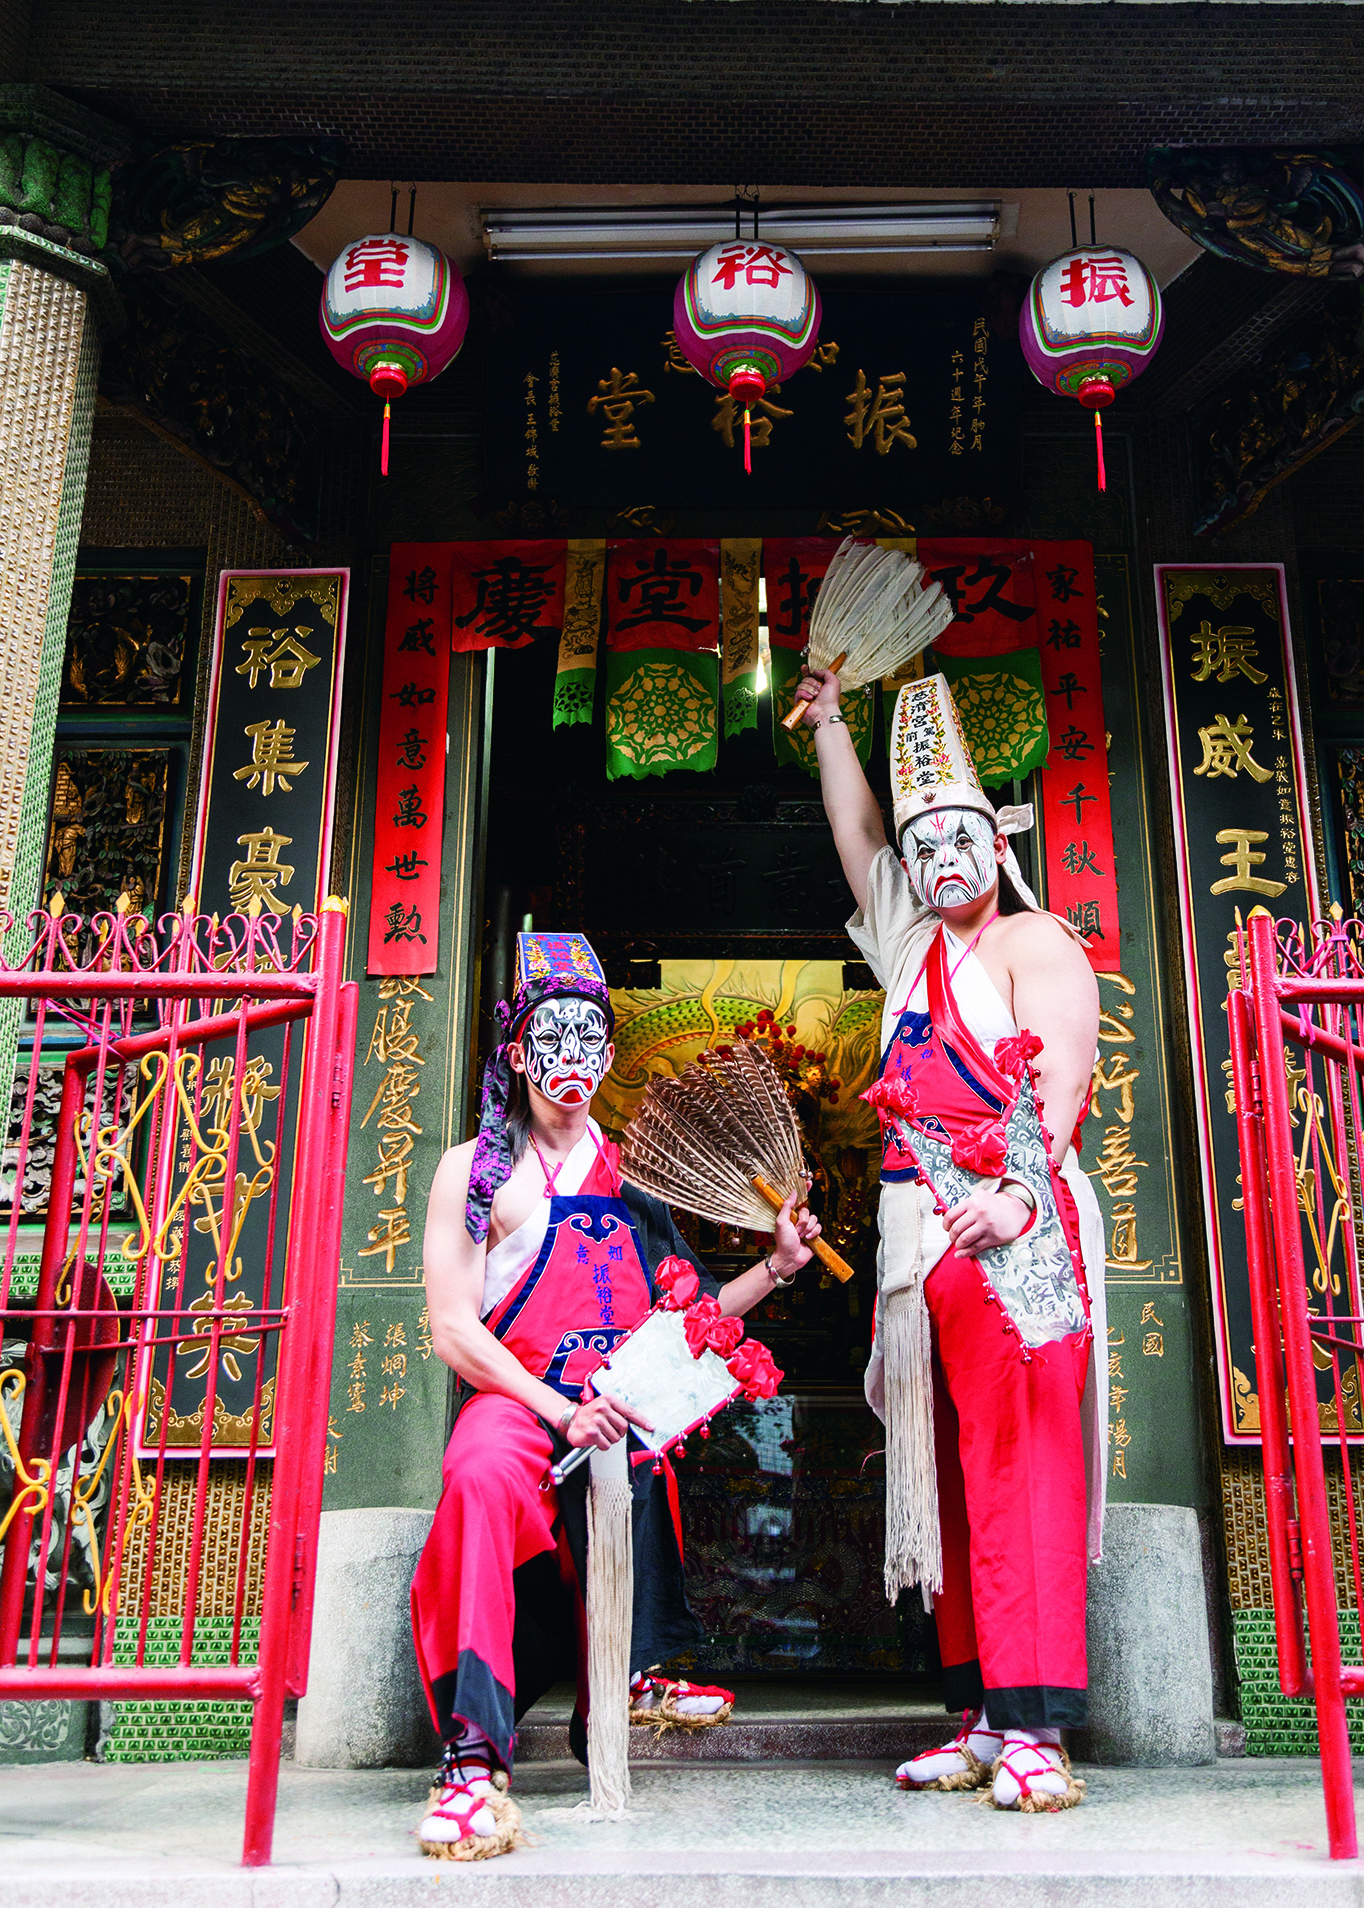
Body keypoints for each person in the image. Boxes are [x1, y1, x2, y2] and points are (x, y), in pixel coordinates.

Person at [410, 932, 821, 1855]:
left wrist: (776, 1268)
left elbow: (686, 1320)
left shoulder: (633, 1177)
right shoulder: (474, 1170)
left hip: (614, 1407)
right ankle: (473, 1756)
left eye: (588, 1041)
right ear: (516, 1053)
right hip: (521, 1402)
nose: (571, 1061)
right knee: (477, 1473)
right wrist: (557, 1407)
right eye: (550, 1040)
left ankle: (628, 1679)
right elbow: (453, 1329)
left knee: (637, 1460)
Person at [795, 666, 1107, 1814]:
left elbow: (1059, 1087)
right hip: (914, 1251)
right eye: (922, 845)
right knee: (948, 1479)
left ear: (997, 835)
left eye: (956, 836)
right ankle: (980, 1717)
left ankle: (1037, 1730)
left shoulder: (1036, 942)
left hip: (1009, 1236)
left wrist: (1020, 1203)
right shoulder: (907, 943)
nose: (937, 859)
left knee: (1018, 1471)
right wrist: (831, 722)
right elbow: (855, 834)